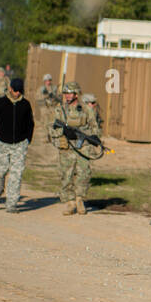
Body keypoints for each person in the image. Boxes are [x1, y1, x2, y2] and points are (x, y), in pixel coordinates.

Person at [48, 81, 99, 215]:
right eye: (65, 93)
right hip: (66, 147)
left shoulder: (86, 109)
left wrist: (92, 137)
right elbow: (51, 128)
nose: (67, 96)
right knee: (66, 175)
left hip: (83, 147)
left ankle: (79, 199)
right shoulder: (59, 110)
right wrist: (63, 132)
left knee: (84, 173)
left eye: (70, 93)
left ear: (76, 94)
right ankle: (70, 202)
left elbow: (94, 127)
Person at [0, 77, 34, 212]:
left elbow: (30, 124)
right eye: (15, 90)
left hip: (19, 145)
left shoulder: (25, 104)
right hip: (1, 144)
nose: (17, 93)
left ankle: (11, 204)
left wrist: (27, 139)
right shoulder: (0, 103)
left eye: (19, 91)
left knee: (16, 175)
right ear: (10, 88)